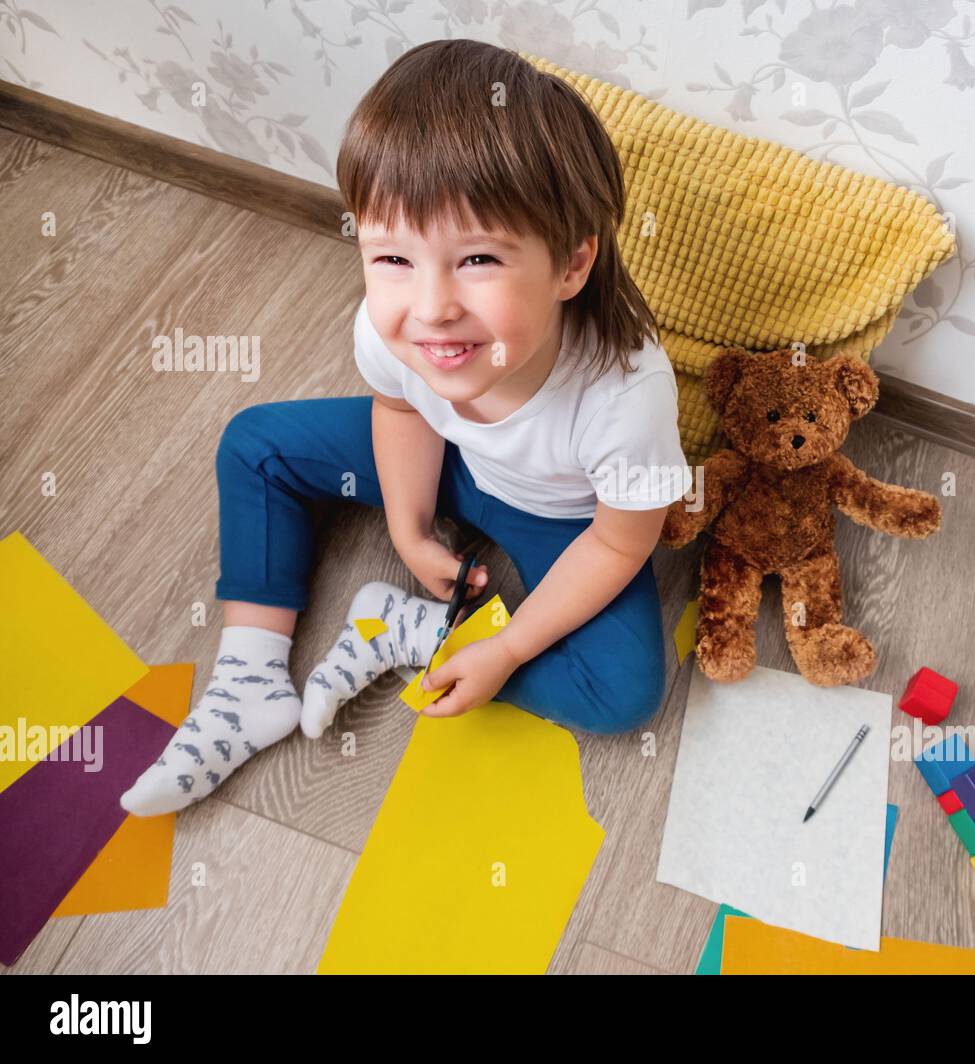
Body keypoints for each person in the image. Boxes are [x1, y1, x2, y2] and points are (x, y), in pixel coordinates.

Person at [121, 38, 690, 816]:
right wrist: (409, 527)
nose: (431, 308)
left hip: (567, 516)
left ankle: (409, 629)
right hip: (455, 462)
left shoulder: (627, 397)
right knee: (255, 445)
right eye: (392, 257)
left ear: (570, 265)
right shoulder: (397, 332)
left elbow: (623, 541)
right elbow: (401, 408)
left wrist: (503, 648)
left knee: (624, 696)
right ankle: (247, 681)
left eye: (479, 259)